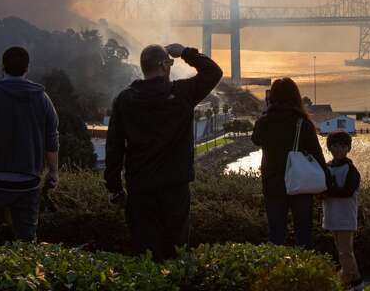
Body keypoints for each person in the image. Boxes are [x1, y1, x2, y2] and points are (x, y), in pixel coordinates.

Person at [104, 42, 222, 260]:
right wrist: (185, 52)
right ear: (164, 65)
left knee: (145, 255)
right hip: (175, 188)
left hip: (140, 188)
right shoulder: (182, 93)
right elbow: (214, 72)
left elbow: (114, 147)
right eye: (169, 63)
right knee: (176, 253)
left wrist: (114, 188)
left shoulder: (124, 99)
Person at [0, 46, 60, 245]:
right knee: (26, 241)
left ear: (2, 67)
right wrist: (53, 172)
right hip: (28, 183)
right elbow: (52, 139)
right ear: (27, 68)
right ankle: (25, 275)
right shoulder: (42, 99)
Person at [250, 76, 326, 249]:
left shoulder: (265, 121)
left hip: (273, 182)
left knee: (276, 233)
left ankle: (276, 271)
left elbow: (256, 139)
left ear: (272, 97)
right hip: (301, 182)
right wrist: (326, 181)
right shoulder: (303, 123)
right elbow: (317, 154)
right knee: (304, 232)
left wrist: (266, 112)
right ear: (295, 97)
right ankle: (304, 271)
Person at [323, 131, 363, 291]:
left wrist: (327, 191)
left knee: (345, 252)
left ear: (348, 148)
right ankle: (356, 280)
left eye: (342, 146)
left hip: (346, 216)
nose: (338, 149)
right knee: (342, 251)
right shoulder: (327, 167)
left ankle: (347, 283)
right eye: (334, 146)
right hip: (332, 215)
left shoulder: (351, 170)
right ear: (329, 148)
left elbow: (347, 191)